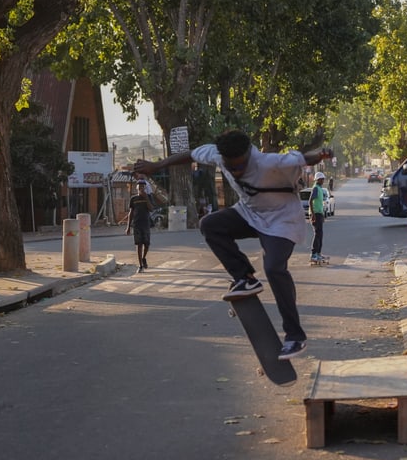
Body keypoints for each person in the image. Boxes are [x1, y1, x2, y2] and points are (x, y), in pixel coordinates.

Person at [134, 130, 333, 360]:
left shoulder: (269, 162)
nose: (236, 172)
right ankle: (245, 278)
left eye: (241, 167)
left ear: (249, 155)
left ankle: (295, 336)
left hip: (282, 220)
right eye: (231, 167)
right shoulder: (218, 155)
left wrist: (321, 154)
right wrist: (156, 165)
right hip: (249, 214)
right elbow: (190, 155)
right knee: (209, 224)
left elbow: (303, 157)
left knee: (274, 268)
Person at [124, 179, 154, 272]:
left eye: (143, 187)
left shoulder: (148, 196)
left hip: (146, 224)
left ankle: (144, 257)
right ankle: (140, 265)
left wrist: (146, 198)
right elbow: (131, 213)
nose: (141, 188)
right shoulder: (133, 199)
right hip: (136, 224)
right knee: (139, 245)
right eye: (139, 187)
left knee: (147, 244)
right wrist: (128, 227)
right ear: (137, 188)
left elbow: (151, 209)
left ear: (145, 188)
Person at [309, 171, 328, 262]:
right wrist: (313, 214)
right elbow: (310, 201)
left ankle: (319, 253)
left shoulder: (320, 188)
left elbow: (320, 204)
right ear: (318, 180)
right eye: (322, 179)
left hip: (319, 214)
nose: (323, 180)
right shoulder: (315, 188)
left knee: (320, 235)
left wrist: (322, 215)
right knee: (317, 234)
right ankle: (313, 254)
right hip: (315, 214)